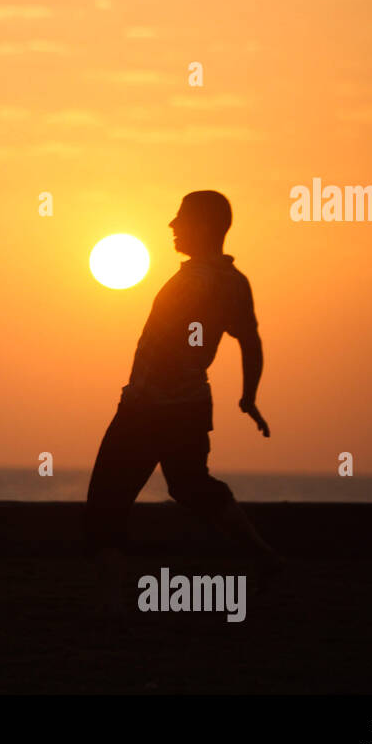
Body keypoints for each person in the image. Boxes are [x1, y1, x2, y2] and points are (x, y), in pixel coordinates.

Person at [83, 190, 283, 618]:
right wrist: (248, 396)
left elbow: (203, 340)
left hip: (151, 406)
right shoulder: (231, 281)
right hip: (187, 404)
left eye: (181, 218)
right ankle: (263, 557)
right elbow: (249, 339)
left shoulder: (204, 282)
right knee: (190, 486)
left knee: (106, 499)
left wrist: (148, 394)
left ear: (205, 226)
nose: (171, 225)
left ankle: (110, 600)